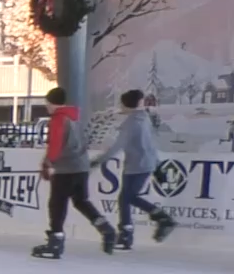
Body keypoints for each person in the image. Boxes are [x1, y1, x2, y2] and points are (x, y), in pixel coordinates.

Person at [32, 86, 114, 258]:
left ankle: (55, 241)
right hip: (81, 167)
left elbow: (55, 144)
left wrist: (48, 162)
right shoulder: (74, 118)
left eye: (47, 103)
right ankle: (105, 227)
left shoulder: (58, 119)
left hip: (66, 169)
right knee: (81, 201)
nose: (47, 107)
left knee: (57, 204)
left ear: (52, 103)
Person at [103, 89, 178, 250]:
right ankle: (127, 234)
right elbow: (151, 145)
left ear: (125, 104)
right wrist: (157, 166)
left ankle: (160, 219)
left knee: (127, 198)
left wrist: (98, 161)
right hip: (141, 164)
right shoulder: (144, 119)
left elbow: (117, 146)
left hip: (137, 166)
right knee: (126, 198)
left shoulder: (131, 123)